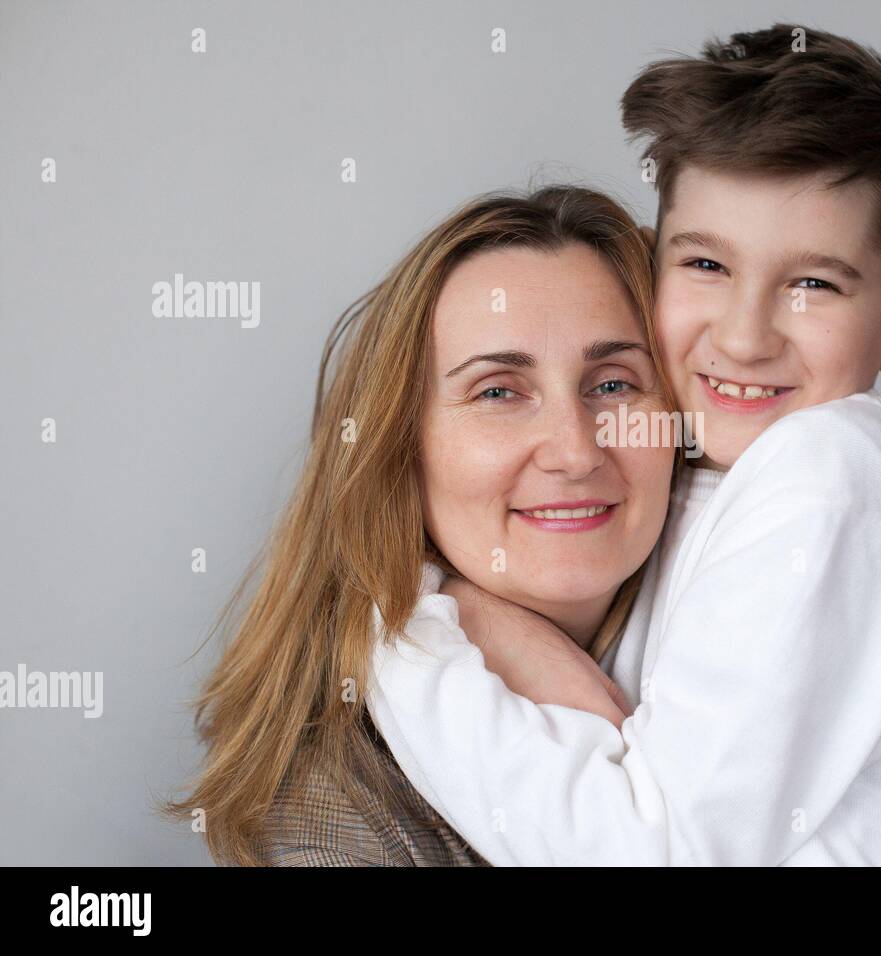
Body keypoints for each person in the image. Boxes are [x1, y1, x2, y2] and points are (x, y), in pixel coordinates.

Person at [366, 25, 881, 865]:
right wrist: (490, 617)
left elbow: (659, 850)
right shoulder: (687, 470)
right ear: (651, 273)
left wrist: (407, 642)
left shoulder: (829, 477)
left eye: (812, 284)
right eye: (706, 266)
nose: (742, 337)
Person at [165, 186, 676, 865]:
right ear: (400, 449)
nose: (576, 451)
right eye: (498, 391)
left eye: (614, 383)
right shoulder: (338, 819)